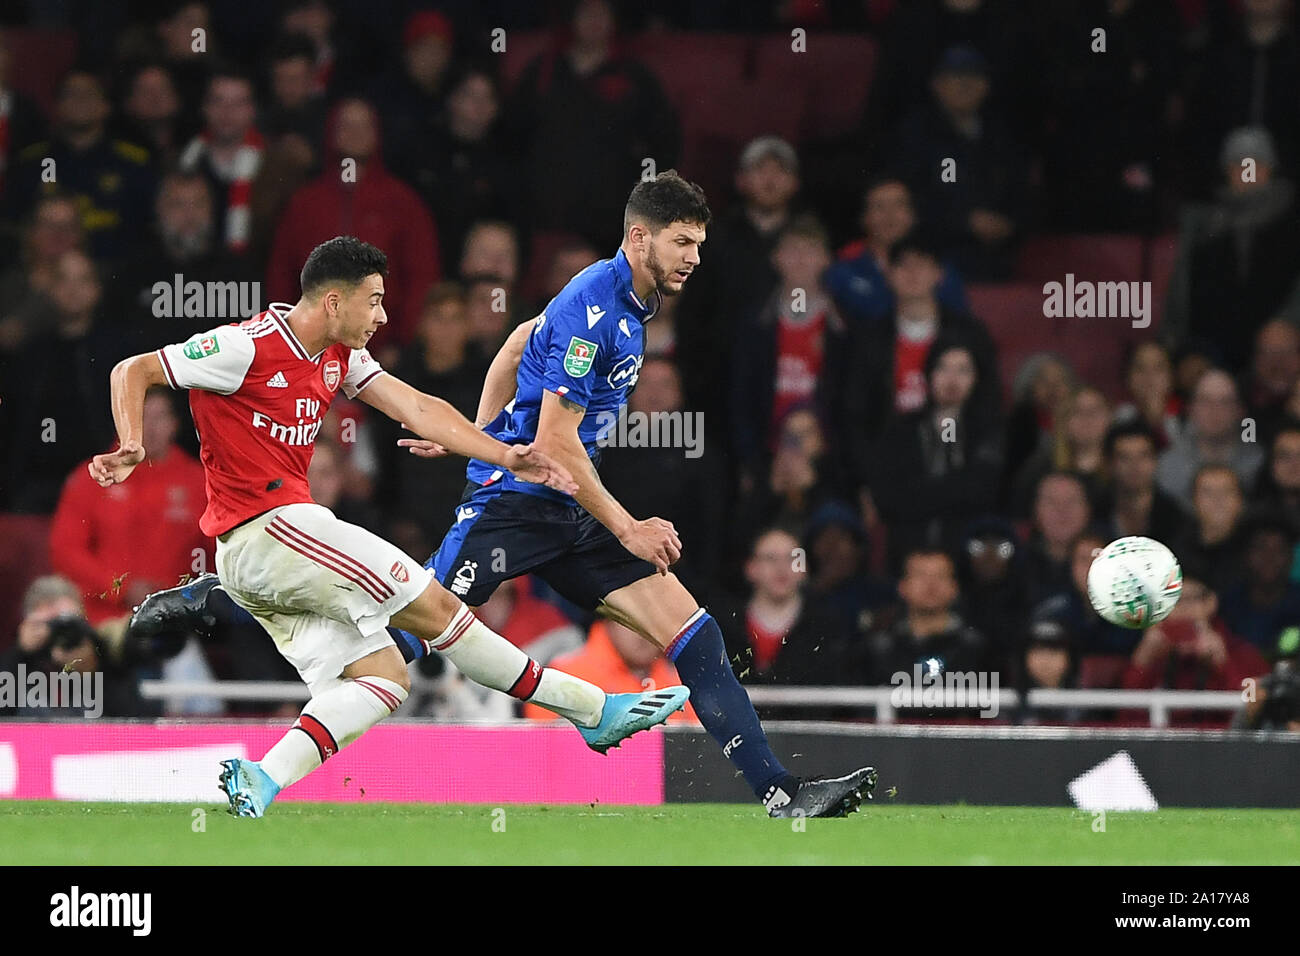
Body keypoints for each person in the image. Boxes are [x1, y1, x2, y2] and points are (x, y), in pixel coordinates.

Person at [94, 236, 688, 817]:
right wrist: (131, 444)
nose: (382, 315)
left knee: (384, 679)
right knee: (436, 607)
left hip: (270, 563)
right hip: (270, 530)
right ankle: (592, 710)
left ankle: (261, 777)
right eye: (373, 301)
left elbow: (421, 409)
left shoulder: (339, 357)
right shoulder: (244, 347)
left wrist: (504, 454)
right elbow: (133, 369)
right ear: (334, 301)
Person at [402, 173, 876, 817]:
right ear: (638, 237)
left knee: (696, 637)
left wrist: (477, 434)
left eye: (700, 245)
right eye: (682, 242)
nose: (694, 258)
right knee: (409, 636)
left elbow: (518, 342)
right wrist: (622, 526)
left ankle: (782, 794)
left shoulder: (634, 303)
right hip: (512, 504)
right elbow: (557, 441)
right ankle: (280, 748)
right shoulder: (592, 304)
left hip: (569, 506)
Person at [1155, 367, 1264, 508]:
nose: (1214, 410)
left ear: (1240, 411)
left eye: (1225, 402)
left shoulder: (1259, 463)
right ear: (1190, 409)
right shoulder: (1167, 467)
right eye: (1205, 401)